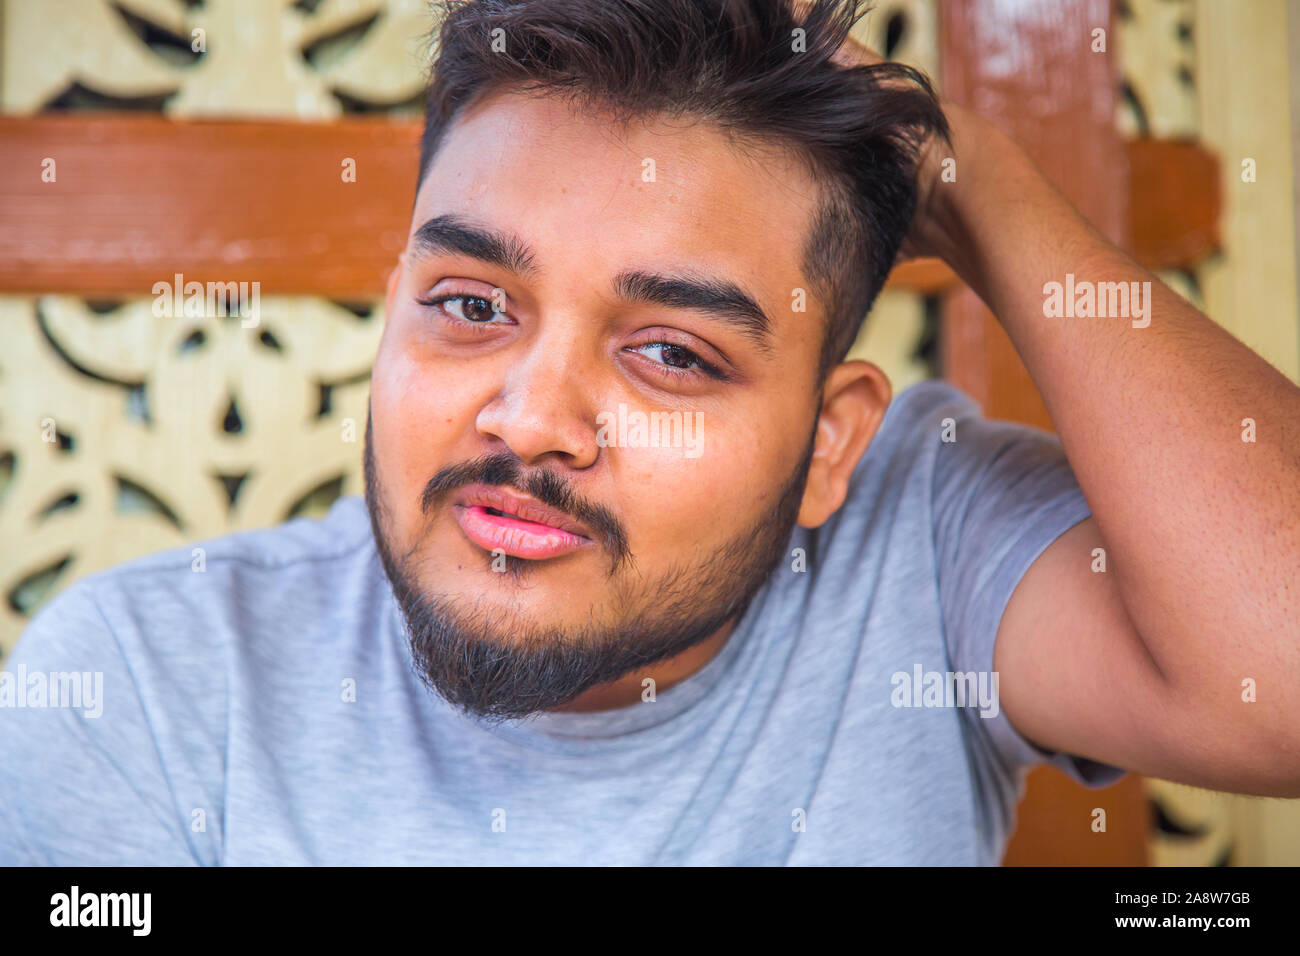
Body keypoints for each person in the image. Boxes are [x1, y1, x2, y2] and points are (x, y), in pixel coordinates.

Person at [1, 0, 1296, 866]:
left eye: (673, 353)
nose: (531, 419)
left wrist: (971, 173)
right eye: (470, 306)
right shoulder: (147, 689)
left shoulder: (921, 552)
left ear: (831, 449)